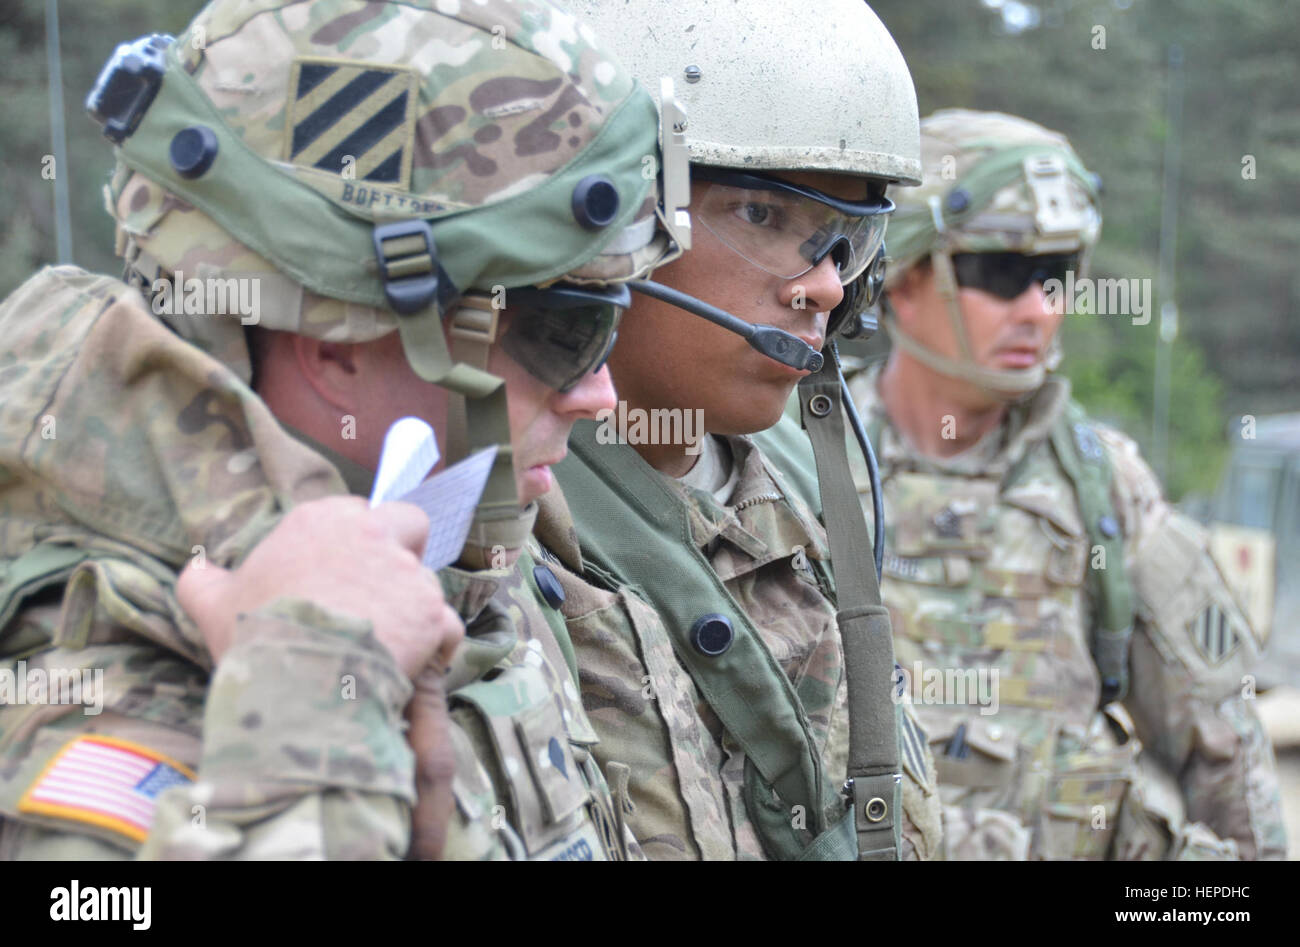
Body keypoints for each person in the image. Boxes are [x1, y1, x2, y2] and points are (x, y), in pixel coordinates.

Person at [0, 0, 671, 860]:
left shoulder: (456, 537)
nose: (601, 394)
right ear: (335, 345)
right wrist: (307, 714)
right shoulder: (89, 695)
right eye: (568, 333)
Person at [531, 0, 943, 861]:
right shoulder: (500, 513)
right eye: (763, 216)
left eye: (843, 241)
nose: (824, 288)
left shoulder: (811, 480)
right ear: (608, 210)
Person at [845, 108, 1287, 859]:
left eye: (1055, 276)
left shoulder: (1103, 485)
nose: (1039, 310)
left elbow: (1226, 751)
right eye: (1003, 273)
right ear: (904, 275)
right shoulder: (799, 460)